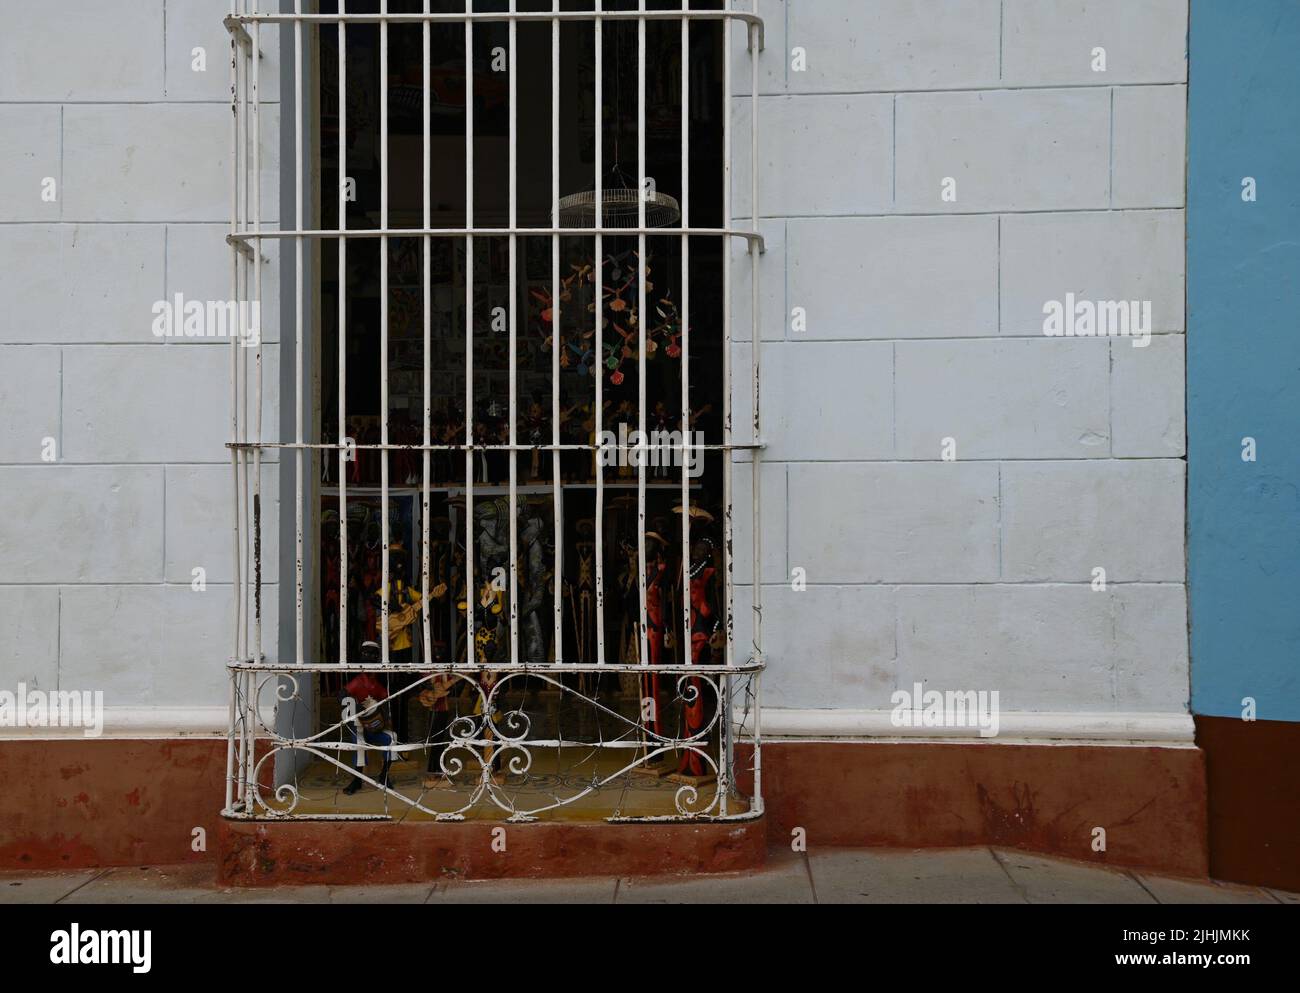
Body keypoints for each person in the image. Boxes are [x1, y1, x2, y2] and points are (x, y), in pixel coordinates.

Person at [341, 641, 398, 795]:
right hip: (358, 725)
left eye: (373, 655)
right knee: (359, 744)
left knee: (391, 738)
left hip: (374, 726)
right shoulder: (356, 682)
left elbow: (386, 700)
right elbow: (343, 697)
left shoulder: (376, 684)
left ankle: (384, 776)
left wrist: (384, 718)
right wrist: (357, 711)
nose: (369, 658)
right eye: (366, 654)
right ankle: (356, 780)